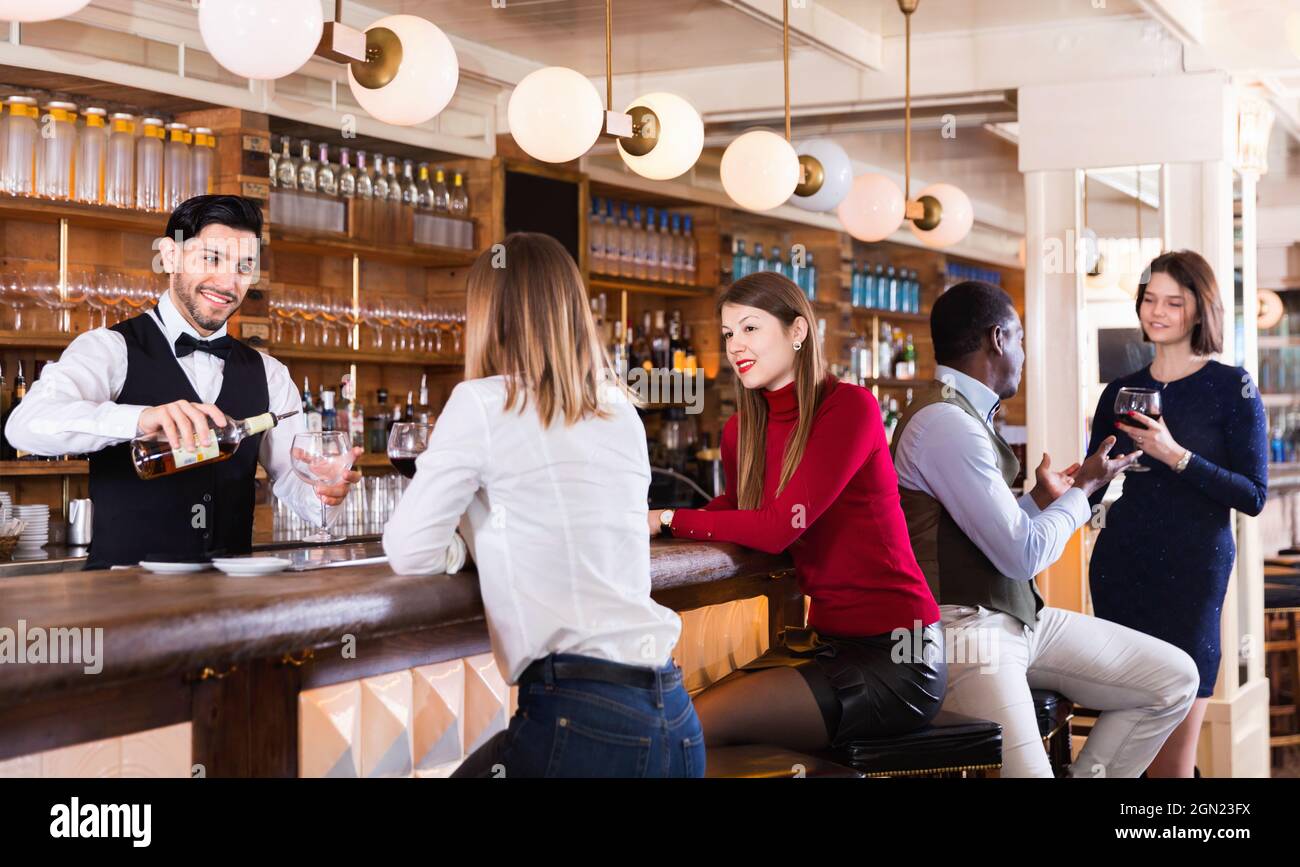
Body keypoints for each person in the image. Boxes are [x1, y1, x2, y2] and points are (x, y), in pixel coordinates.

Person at [383, 233, 698, 778]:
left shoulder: (482, 402)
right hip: (674, 717)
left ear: (488, 314)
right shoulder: (620, 408)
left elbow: (410, 551)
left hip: (583, 718)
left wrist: (461, 552)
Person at [891, 280, 1200, 778]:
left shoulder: (962, 414)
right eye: (1019, 338)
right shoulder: (946, 423)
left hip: (1017, 621)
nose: (1023, 353)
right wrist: (1086, 491)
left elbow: (989, 534)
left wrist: (1038, 501)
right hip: (964, 633)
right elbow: (1020, 555)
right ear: (997, 338)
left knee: (1174, 678)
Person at [648, 272, 945, 754]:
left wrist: (667, 519)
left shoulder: (850, 409)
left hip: (897, 655)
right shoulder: (739, 430)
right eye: (727, 334)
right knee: (685, 714)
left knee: (692, 724)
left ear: (797, 331)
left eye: (750, 328)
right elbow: (734, 510)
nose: (734, 346)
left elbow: (779, 527)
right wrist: (652, 526)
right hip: (824, 643)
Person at [4, 195, 361, 568]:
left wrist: (325, 491)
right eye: (211, 258)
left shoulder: (270, 374)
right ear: (171, 256)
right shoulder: (110, 349)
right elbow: (24, 427)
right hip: (121, 601)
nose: (228, 281)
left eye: (244, 265)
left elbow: (298, 487)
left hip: (231, 605)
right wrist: (139, 419)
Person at [1088, 251, 1268, 777]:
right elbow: (1097, 486)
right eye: (1150, 299)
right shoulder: (1118, 390)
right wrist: (1071, 488)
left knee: (1172, 758)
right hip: (1122, 566)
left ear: (1199, 310)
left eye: (1174, 301)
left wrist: (1176, 455)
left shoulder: (1232, 387)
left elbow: (1252, 495)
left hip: (1193, 572)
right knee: (1131, 751)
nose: (1158, 311)